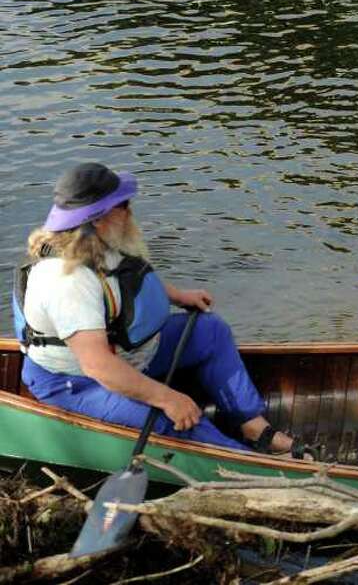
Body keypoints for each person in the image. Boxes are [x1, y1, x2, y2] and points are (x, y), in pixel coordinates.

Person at [12, 163, 311, 458]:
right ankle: (248, 464)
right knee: (175, 418)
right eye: (123, 205)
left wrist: (179, 296)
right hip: (77, 382)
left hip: (131, 356)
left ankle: (255, 429)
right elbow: (98, 366)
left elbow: (126, 281)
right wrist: (168, 398)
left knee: (211, 331)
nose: (129, 211)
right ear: (99, 218)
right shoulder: (68, 282)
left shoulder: (96, 241)